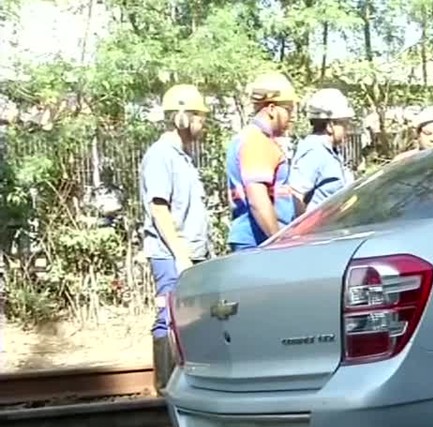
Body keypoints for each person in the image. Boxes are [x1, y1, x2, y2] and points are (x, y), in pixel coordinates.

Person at [139, 84, 211, 393]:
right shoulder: (161, 156)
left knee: (193, 317)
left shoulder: (183, 157)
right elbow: (159, 206)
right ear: (184, 117)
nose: (203, 123)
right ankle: (164, 388)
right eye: (200, 116)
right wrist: (180, 253)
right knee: (168, 316)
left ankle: (187, 382)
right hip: (172, 254)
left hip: (192, 251)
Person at [225, 72, 299, 251]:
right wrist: (278, 242)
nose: (292, 117)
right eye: (288, 110)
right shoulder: (256, 141)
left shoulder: (255, 139)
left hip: (259, 240)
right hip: (259, 242)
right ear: (272, 108)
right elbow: (258, 200)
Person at [290, 88, 356, 214]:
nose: (347, 129)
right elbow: (296, 195)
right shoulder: (314, 151)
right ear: (331, 125)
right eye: (345, 124)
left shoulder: (330, 152)